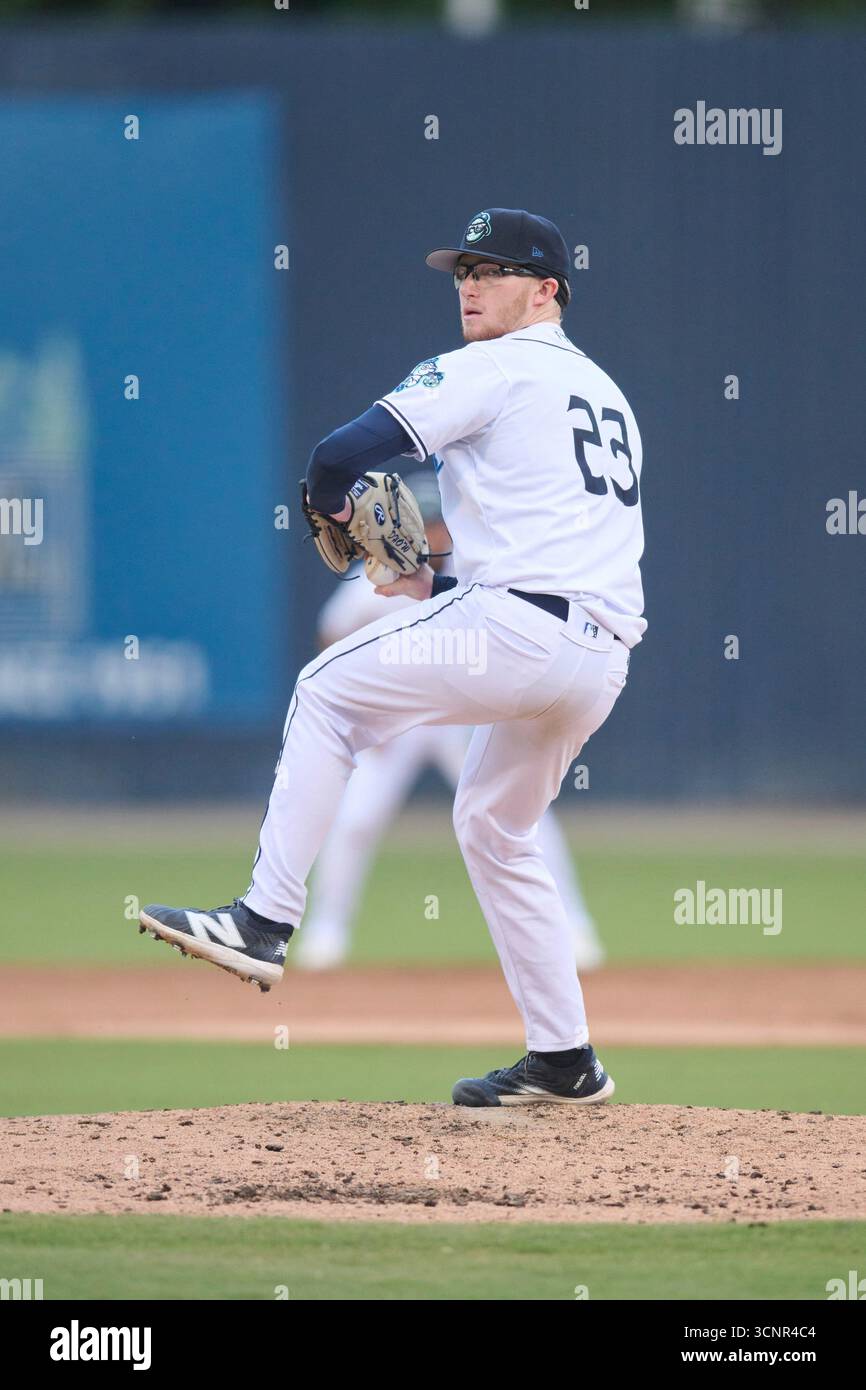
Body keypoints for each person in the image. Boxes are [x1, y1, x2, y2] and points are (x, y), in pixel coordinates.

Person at [140, 207, 646, 1107]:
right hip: (596, 659)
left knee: (326, 693)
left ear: (547, 291)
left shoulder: (490, 365)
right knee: (495, 828)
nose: (471, 286)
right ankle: (566, 1060)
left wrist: (332, 503)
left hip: (521, 632)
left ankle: (260, 922)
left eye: (492, 271)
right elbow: (536, 536)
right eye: (463, 272)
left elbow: (340, 453)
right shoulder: (606, 394)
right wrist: (429, 567)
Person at [296, 471, 606, 972]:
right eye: (426, 522)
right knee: (355, 821)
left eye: (440, 521)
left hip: (463, 720)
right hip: (397, 726)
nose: (436, 532)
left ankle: (575, 927)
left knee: (522, 819)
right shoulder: (381, 575)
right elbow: (330, 638)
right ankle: (327, 932)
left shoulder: (482, 571)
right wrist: (362, 716)